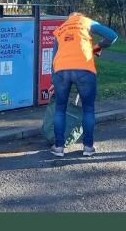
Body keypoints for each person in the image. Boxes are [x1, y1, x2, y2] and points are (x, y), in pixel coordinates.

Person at [48, 11, 117, 158]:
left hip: (61, 71)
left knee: (60, 109)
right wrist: (98, 46)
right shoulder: (86, 22)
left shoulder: (60, 29)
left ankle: (59, 147)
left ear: (69, 18)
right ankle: (88, 147)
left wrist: (54, 80)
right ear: (80, 16)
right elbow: (112, 36)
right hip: (84, 70)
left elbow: (54, 57)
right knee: (88, 109)